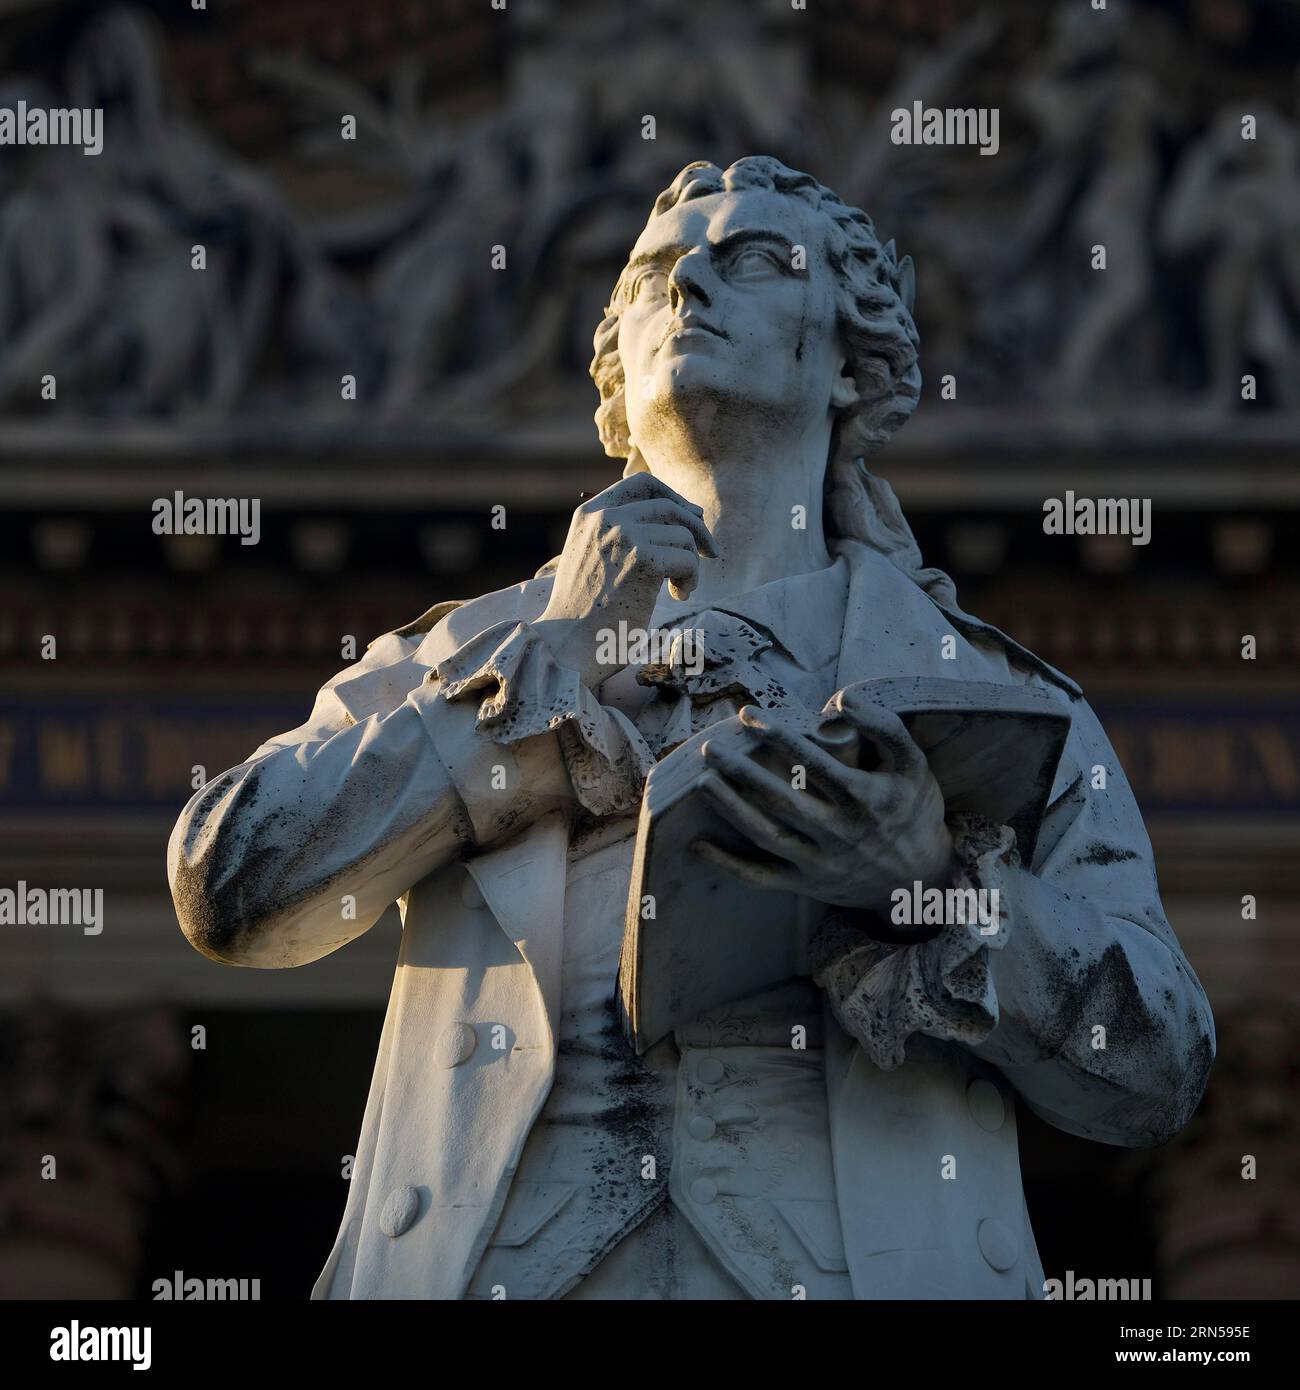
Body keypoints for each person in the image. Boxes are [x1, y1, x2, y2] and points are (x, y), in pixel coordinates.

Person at [169, 156, 1214, 1299]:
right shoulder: (466, 656)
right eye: (657, 273)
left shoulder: (993, 698)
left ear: (853, 359)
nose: (691, 288)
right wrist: (537, 680)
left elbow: (1156, 1065)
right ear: (619, 349)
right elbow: (228, 882)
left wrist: (931, 884)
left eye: (755, 261)